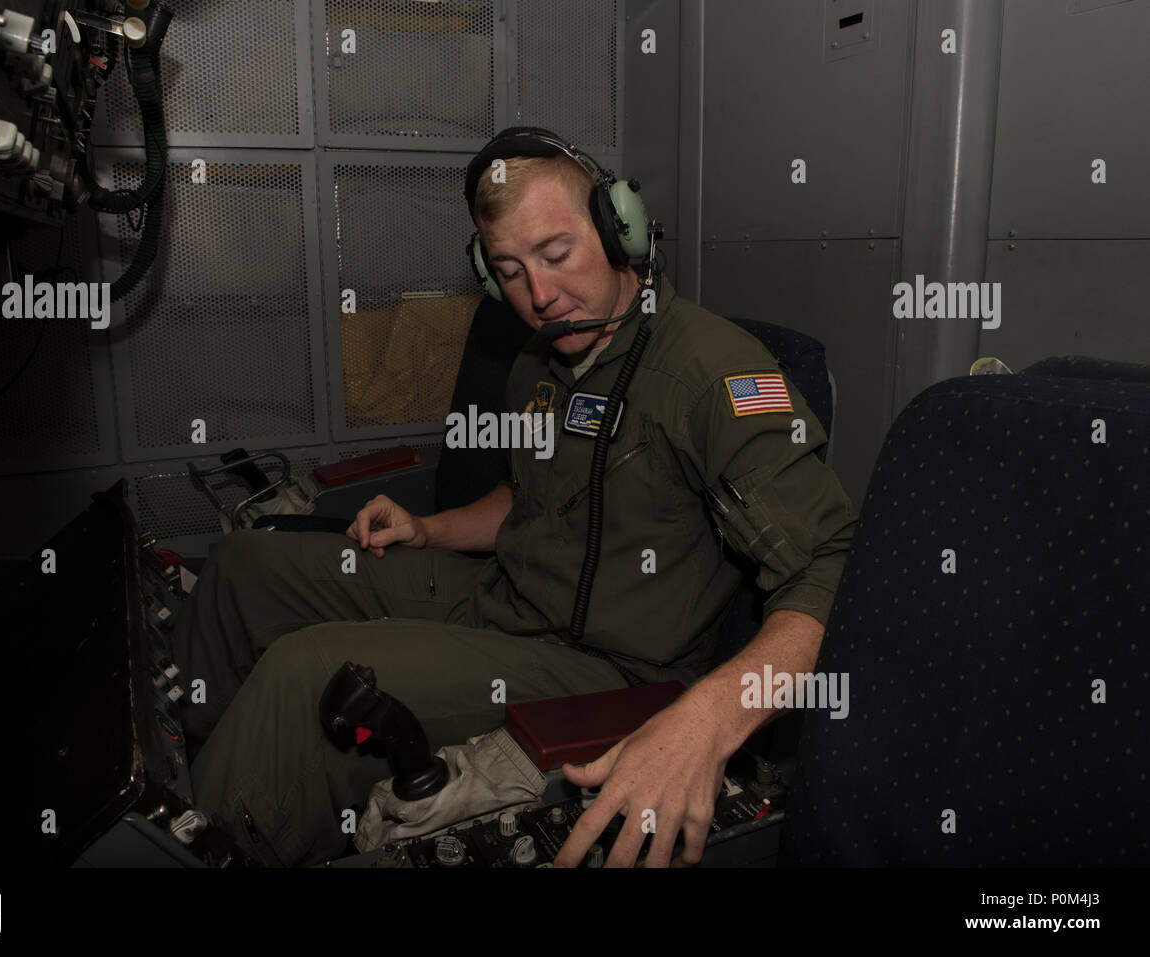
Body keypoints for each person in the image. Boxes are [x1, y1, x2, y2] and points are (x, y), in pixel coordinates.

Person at [171, 127, 857, 868]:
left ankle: (208, 843)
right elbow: (527, 496)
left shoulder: (709, 374)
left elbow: (833, 568)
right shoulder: (537, 361)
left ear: (618, 227)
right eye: (510, 269)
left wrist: (708, 720)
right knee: (246, 564)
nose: (539, 296)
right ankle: (187, 790)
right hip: (502, 595)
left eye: (557, 255)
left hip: (601, 664)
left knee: (308, 676)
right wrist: (427, 528)